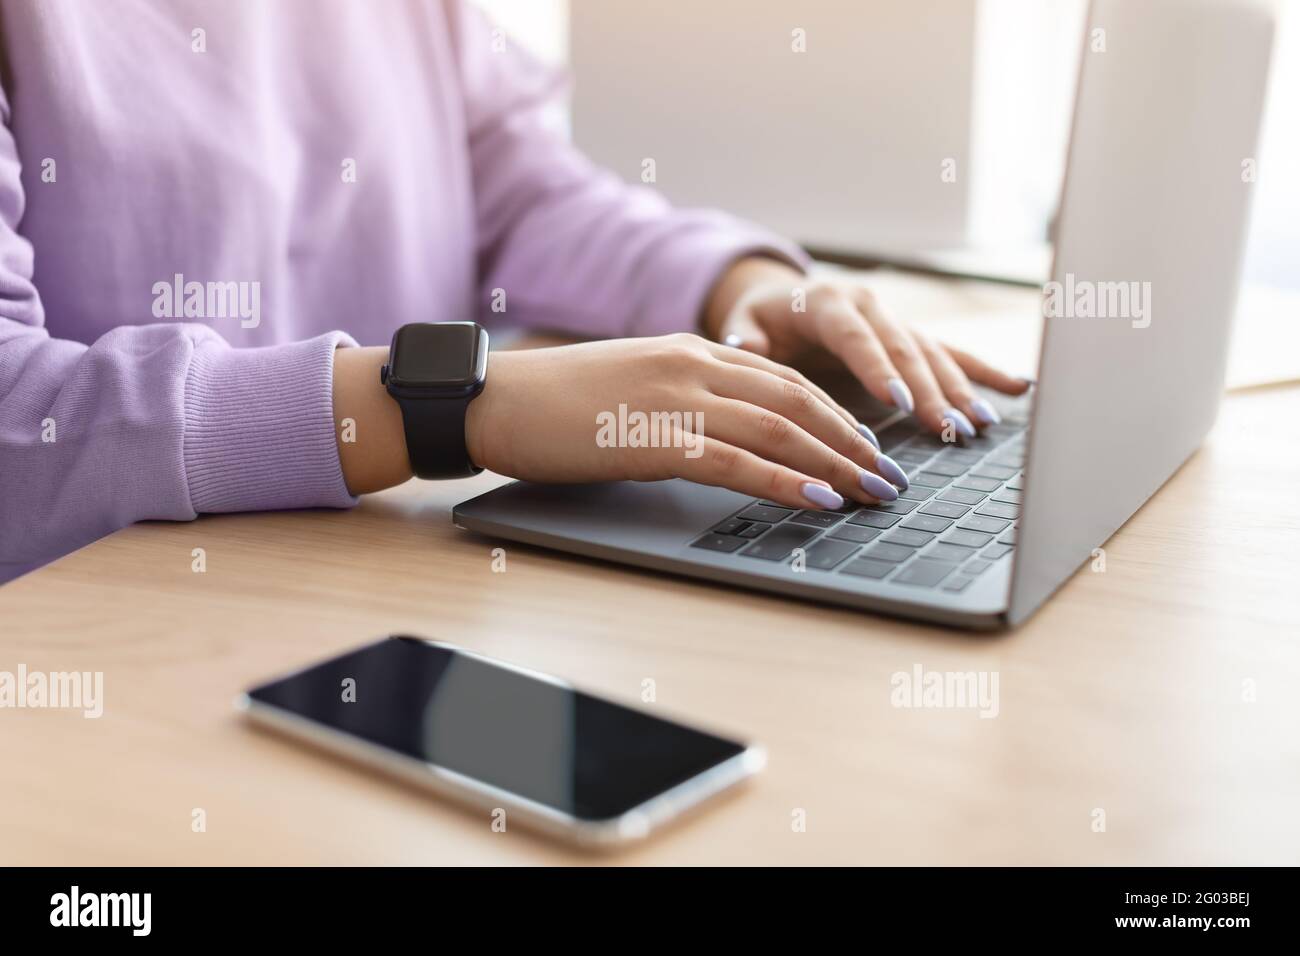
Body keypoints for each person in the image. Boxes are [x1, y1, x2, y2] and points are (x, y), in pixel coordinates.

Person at [0, 0, 1027, 584]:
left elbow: (519, 190)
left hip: (387, 584)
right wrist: (458, 407)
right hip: (126, 640)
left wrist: (734, 285)